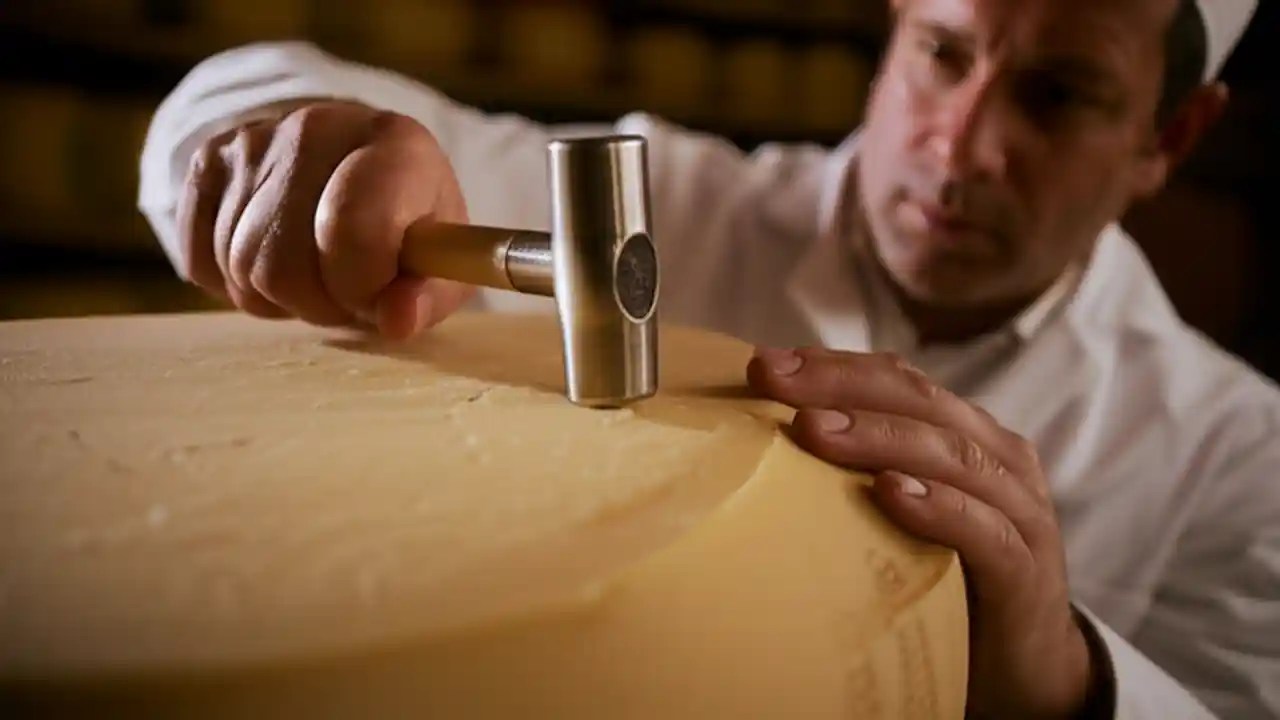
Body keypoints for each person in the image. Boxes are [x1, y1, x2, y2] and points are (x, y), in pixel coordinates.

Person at [137, 0, 1277, 717]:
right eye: (943, 53)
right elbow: (233, 87)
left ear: (1164, 140)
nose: (962, 145)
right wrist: (301, 142)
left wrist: (1072, 684)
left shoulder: (1241, 451)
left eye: (1056, 96)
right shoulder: (679, 206)